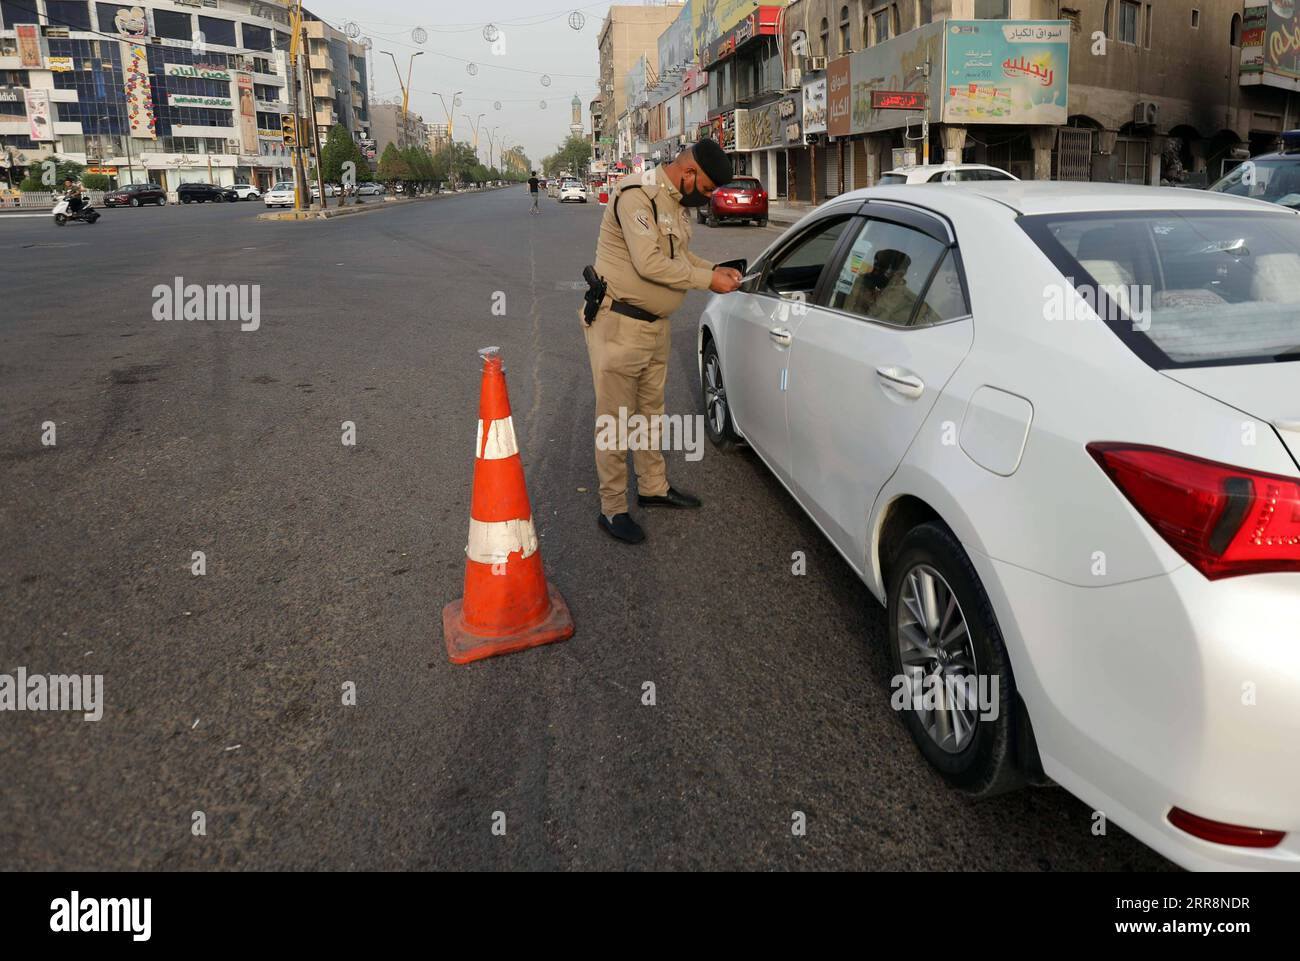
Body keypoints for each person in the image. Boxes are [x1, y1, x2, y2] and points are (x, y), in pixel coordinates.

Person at [582, 138, 742, 544]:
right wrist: (708, 280)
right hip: (619, 324)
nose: (705, 199)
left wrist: (719, 270)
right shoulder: (637, 196)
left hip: (655, 327)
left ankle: (652, 487)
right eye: (705, 189)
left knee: (650, 413)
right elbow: (649, 263)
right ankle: (613, 508)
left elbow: (682, 258)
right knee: (617, 420)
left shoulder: (675, 204)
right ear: (688, 173)